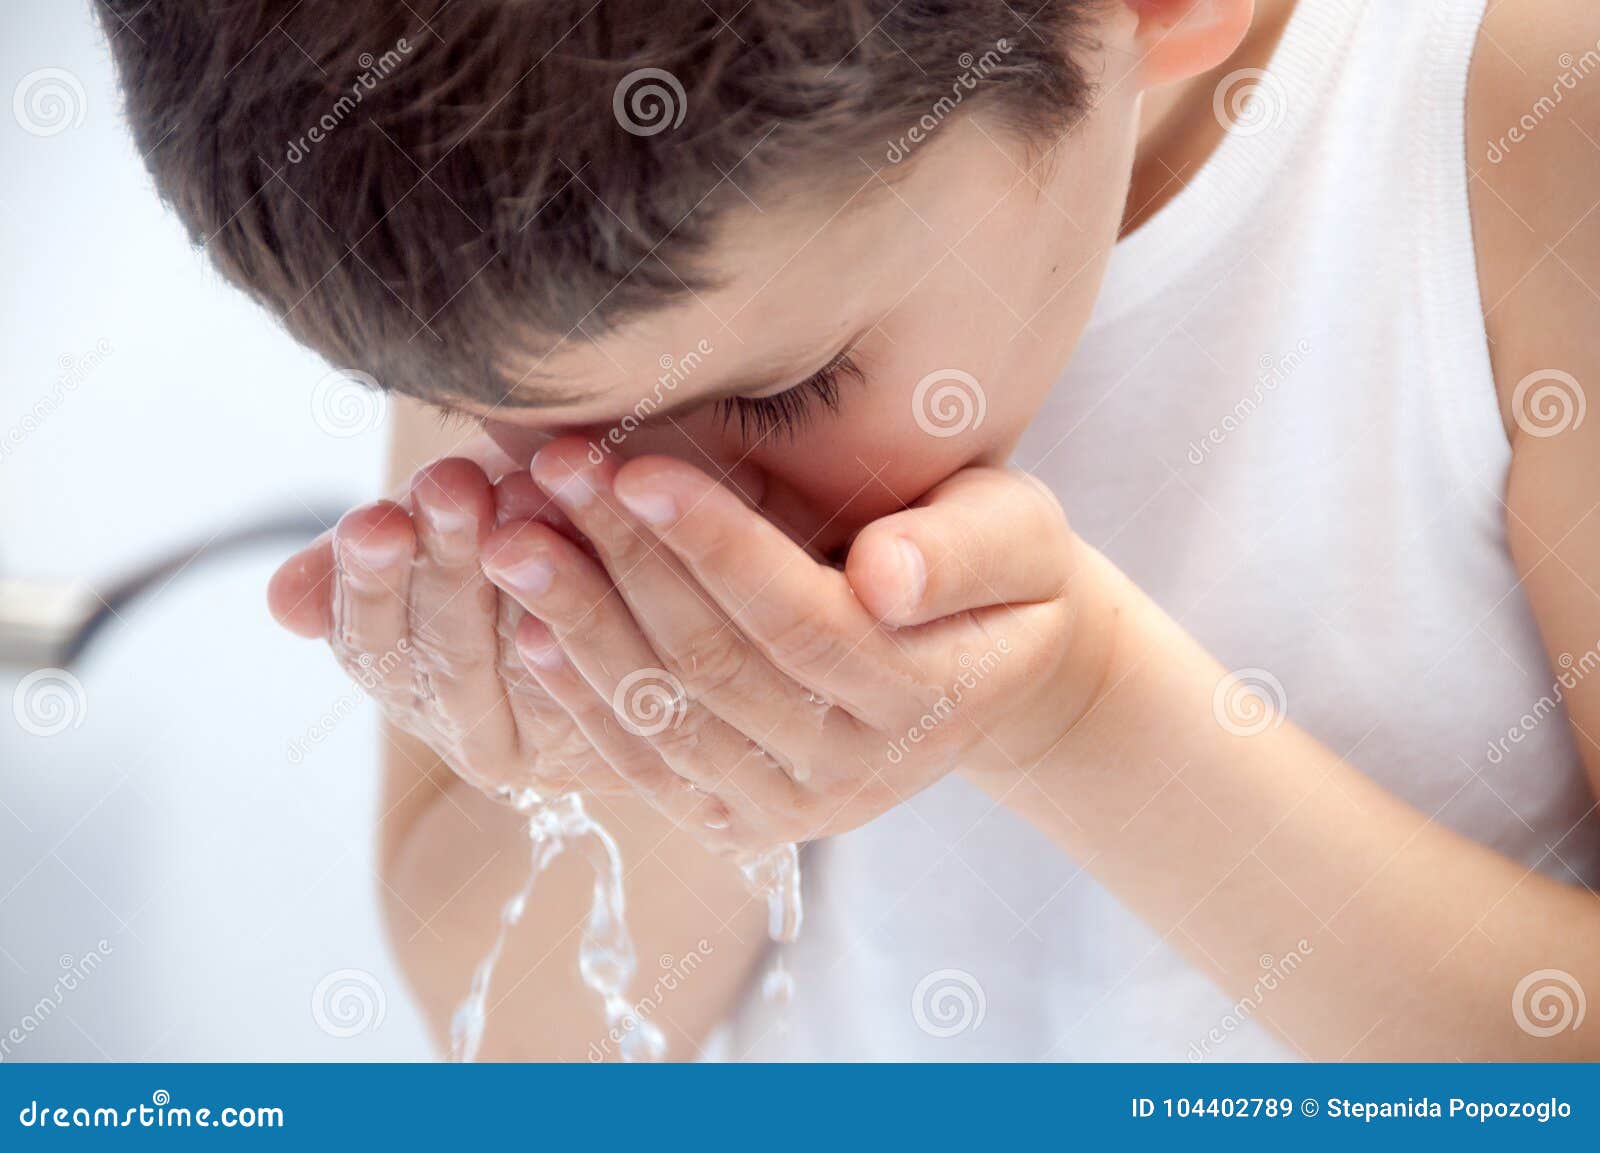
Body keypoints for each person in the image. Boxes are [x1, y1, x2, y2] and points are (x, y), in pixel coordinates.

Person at [98, 0, 1600, 1060]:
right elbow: (525, 1053)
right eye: (497, 422)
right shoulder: (516, 262)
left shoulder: (1517, 116)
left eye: (793, 389)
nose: (668, 507)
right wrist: (667, 739)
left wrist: (1069, 716)